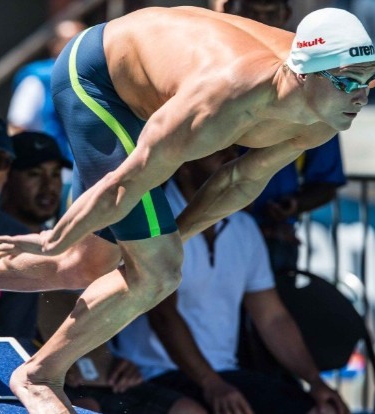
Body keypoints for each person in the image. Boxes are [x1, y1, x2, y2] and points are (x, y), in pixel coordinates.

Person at [0, 6, 375, 414]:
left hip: (151, 86)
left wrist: (177, 237)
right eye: (347, 81)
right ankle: (40, 375)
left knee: (84, 266)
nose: (359, 97)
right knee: (157, 271)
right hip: (95, 77)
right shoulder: (225, 97)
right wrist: (56, 238)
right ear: (304, 73)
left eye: (368, 82)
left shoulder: (324, 116)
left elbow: (239, 181)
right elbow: (126, 182)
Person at [107, 146, 348, 414]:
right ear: (184, 164)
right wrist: (212, 383)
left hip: (224, 376)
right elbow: (163, 316)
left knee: (323, 409)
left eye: (235, 150)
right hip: (152, 374)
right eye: (220, 150)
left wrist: (315, 381)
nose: (233, 159)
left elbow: (273, 318)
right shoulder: (154, 222)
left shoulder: (244, 227)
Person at [222, 0, 346, 274]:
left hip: (275, 237)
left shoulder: (314, 85)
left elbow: (326, 181)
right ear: (229, 10)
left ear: (286, 15)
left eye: (270, 14)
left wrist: (294, 206)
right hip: (210, 234)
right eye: (250, 12)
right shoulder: (203, 70)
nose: (260, 22)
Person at [0, 130, 71, 343]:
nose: (49, 186)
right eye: (34, 174)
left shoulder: (71, 243)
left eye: (55, 174)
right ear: (8, 177)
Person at [7, 19, 86, 162]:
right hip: (49, 163)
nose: (73, 46)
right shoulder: (37, 79)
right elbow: (17, 126)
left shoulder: (90, 76)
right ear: (54, 44)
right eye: (67, 40)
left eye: (80, 40)